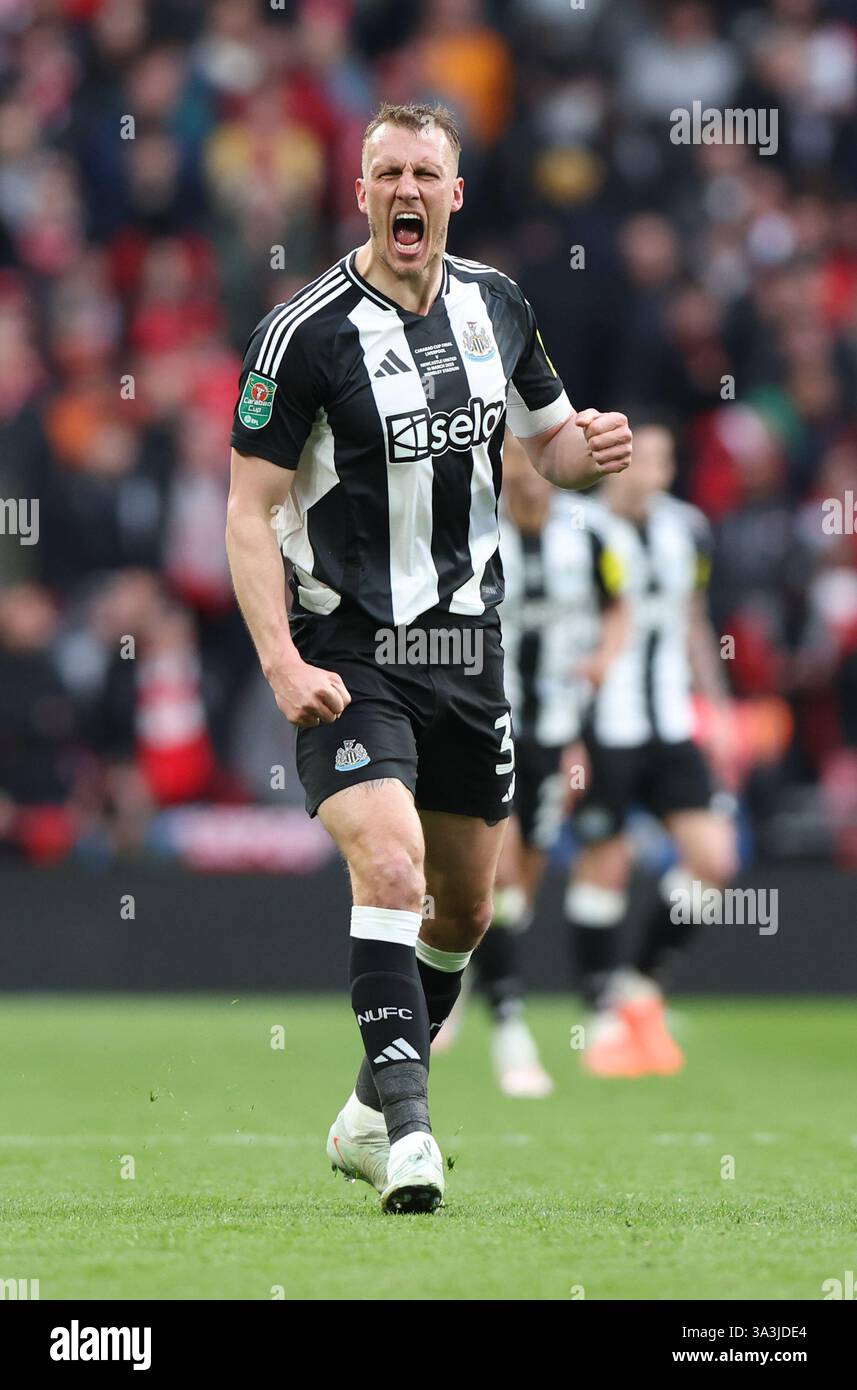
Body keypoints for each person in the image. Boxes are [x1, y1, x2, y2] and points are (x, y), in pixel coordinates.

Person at [226, 101, 632, 1212]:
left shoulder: (497, 305)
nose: (406, 190)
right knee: (391, 870)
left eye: (425, 172)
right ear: (359, 191)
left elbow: (545, 444)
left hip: (468, 648)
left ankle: (362, 1110)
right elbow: (246, 512)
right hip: (348, 649)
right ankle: (409, 1135)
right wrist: (278, 661)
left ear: (455, 192)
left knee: (460, 912)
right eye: (386, 172)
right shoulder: (301, 334)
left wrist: (583, 453)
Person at [433, 433, 629, 1098]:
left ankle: (451, 975)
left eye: (532, 458)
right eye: (512, 458)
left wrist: (604, 657)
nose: (526, 473)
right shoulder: (474, 532)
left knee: (517, 892)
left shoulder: (588, 538)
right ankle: (511, 1032)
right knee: (499, 870)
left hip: (558, 732)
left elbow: (619, 602)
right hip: (489, 722)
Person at [566, 423, 737, 1078]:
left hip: (669, 722)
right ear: (611, 463)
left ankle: (638, 987)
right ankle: (600, 1013)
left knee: (712, 859)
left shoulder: (686, 528)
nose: (651, 472)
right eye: (640, 459)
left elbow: (694, 620)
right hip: (601, 723)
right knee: (605, 864)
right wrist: (568, 731)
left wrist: (716, 710)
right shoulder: (575, 529)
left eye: (663, 459)